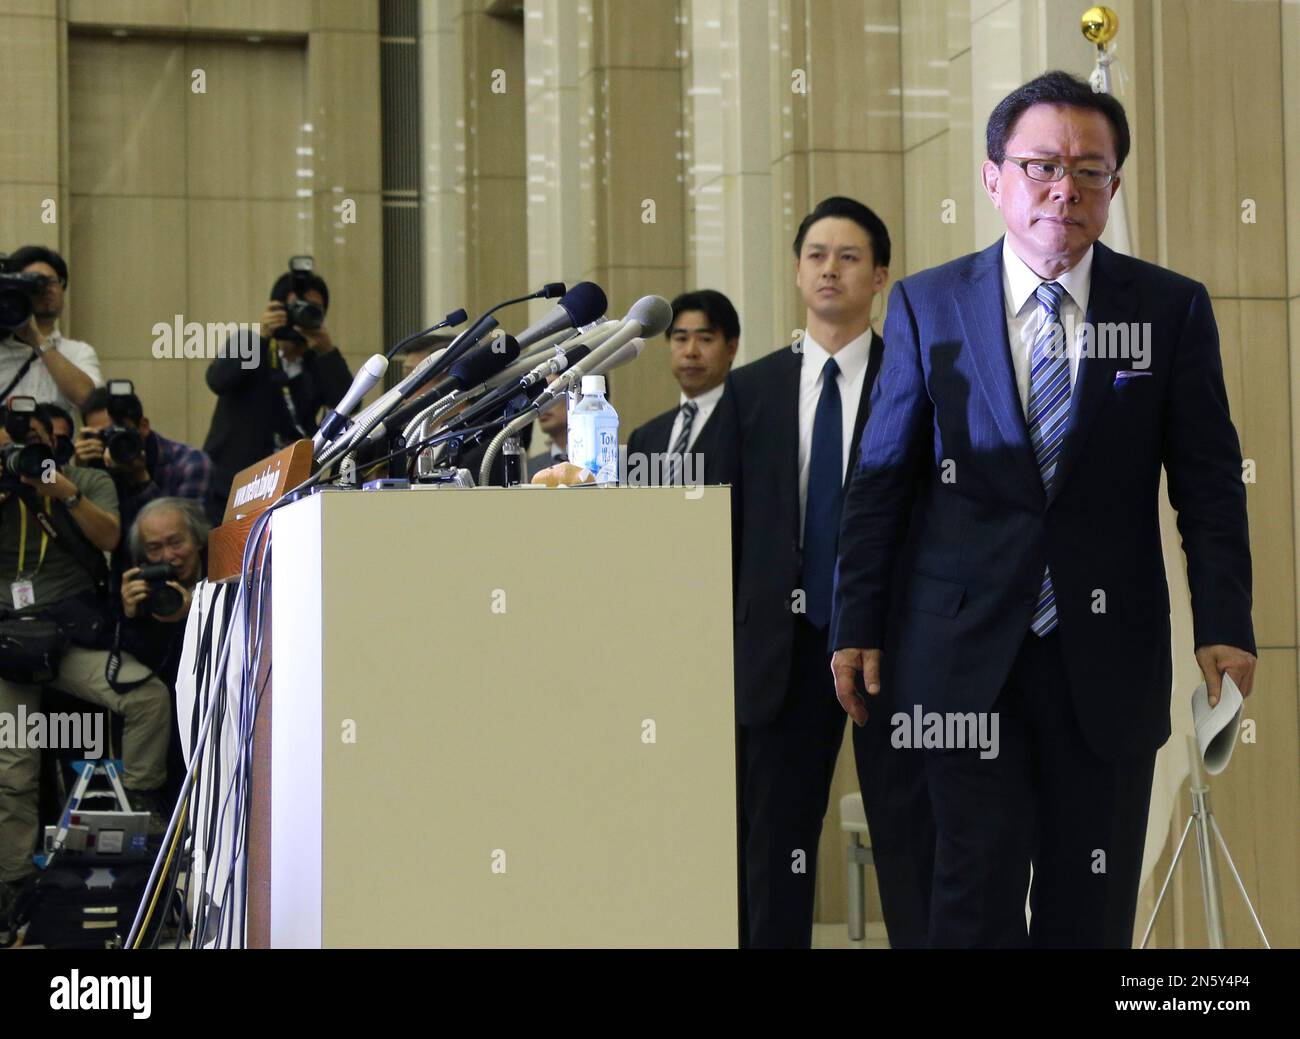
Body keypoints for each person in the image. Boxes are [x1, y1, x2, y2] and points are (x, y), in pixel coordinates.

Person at [830, 71, 1256, 948]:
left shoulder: (1169, 309)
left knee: (1090, 907)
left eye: (1091, 170)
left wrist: (1225, 618)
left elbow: (1209, 481)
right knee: (972, 897)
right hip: (961, 659)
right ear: (994, 178)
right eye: (1041, 165)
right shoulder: (928, 304)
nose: (1065, 188)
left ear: (1114, 185)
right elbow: (879, 478)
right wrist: (854, 618)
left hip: (1107, 656)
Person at [713, 197, 934, 948]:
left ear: (880, 277)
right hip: (782, 650)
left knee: (912, 838)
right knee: (775, 850)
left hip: (891, 647)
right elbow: (723, 526)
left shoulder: (918, 379)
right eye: (815, 255)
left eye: (848, 256)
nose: (829, 268)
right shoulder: (751, 391)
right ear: (798, 271)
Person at [0, 404, 171, 924]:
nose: (27, 455)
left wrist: (63, 492)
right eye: (14, 449)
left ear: (55, 441)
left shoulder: (87, 480)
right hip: (8, 643)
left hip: (70, 634)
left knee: (149, 700)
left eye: (34, 442)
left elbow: (110, 539)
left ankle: (140, 811)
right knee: (13, 767)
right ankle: (16, 887)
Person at [202, 266, 352, 513]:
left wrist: (327, 351)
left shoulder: (318, 362)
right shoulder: (250, 345)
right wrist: (261, 336)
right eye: (297, 307)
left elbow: (348, 403)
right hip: (233, 486)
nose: (303, 315)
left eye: (313, 309)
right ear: (278, 310)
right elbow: (217, 380)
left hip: (289, 487)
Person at [77, 385, 214, 553]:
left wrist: (140, 478)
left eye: (120, 433)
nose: (114, 442)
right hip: (125, 575)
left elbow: (184, 543)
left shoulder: (189, 463)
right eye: (105, 436)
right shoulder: (97, 468)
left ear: (143, 426)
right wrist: (82, 474)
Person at [627, 290, 738, 486]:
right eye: (681, 339)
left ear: (731, 348)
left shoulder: (745, 426)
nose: (690, 352)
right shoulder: (645, 438)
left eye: (705, 339)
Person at [0, 245, 102, 413]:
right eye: (35, 282)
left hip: (56, 438)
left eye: (52, 281)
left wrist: (37, 340)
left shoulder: (79, 352)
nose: (46, 288)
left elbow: (89, 400)